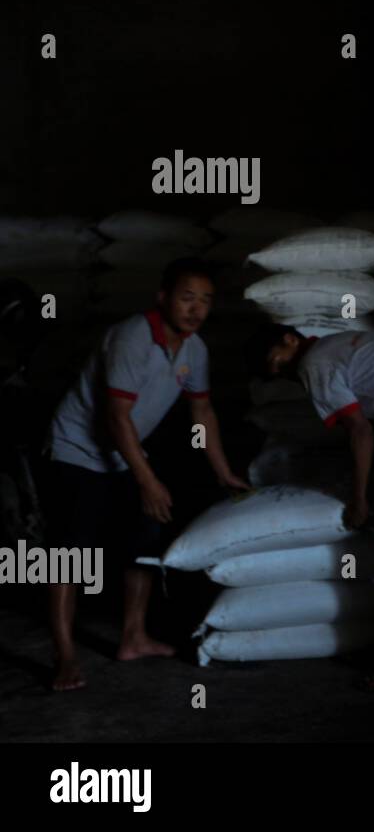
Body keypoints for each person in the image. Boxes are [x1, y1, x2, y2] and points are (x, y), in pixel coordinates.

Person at [45, 257, 249, 692]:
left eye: (206, 301)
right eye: (186, 298)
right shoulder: (132, 338)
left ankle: (133, 637)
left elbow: (202, 411)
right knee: (69, 555)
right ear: (163, 298)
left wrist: (224, 471)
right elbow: (117, 418)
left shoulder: (195, 350)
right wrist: (147, 479)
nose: (196, 309)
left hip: (124, 455)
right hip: (76, 451)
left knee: (144, 537)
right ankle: (65, 656)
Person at [245, 325, 374, 689]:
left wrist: (359, 499)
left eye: (276, 362)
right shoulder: (335, 347)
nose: (281, 372)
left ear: (289, 340)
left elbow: (361, 431)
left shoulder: (314, 364)